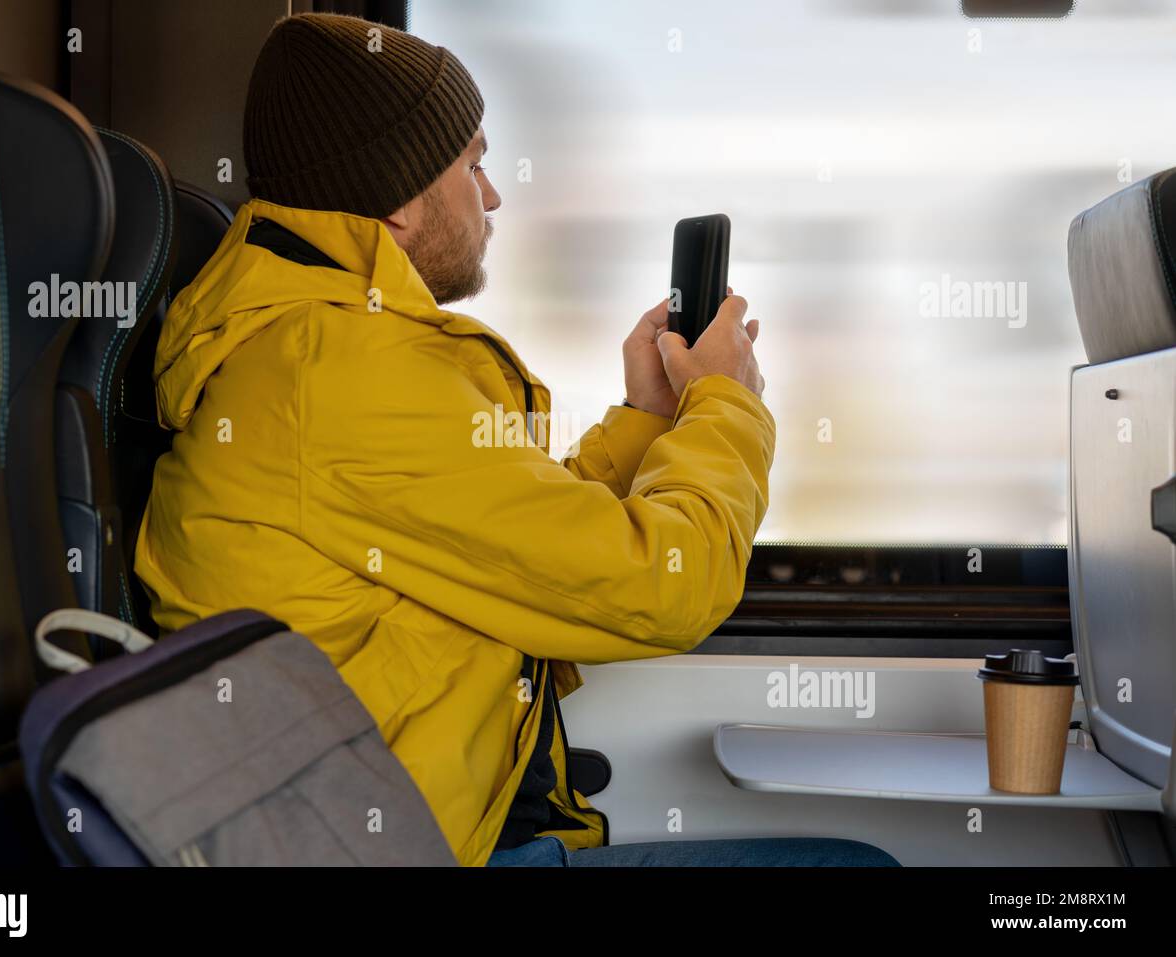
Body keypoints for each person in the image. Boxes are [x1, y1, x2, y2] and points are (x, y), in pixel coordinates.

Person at [134, 12, 899, 868]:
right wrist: (726, 402)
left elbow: (519, 536)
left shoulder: (321, 351)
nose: (492, 195)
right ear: (400, 197)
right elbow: (668, 585)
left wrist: (648, 419)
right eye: (472, 164)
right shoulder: (339, 372)